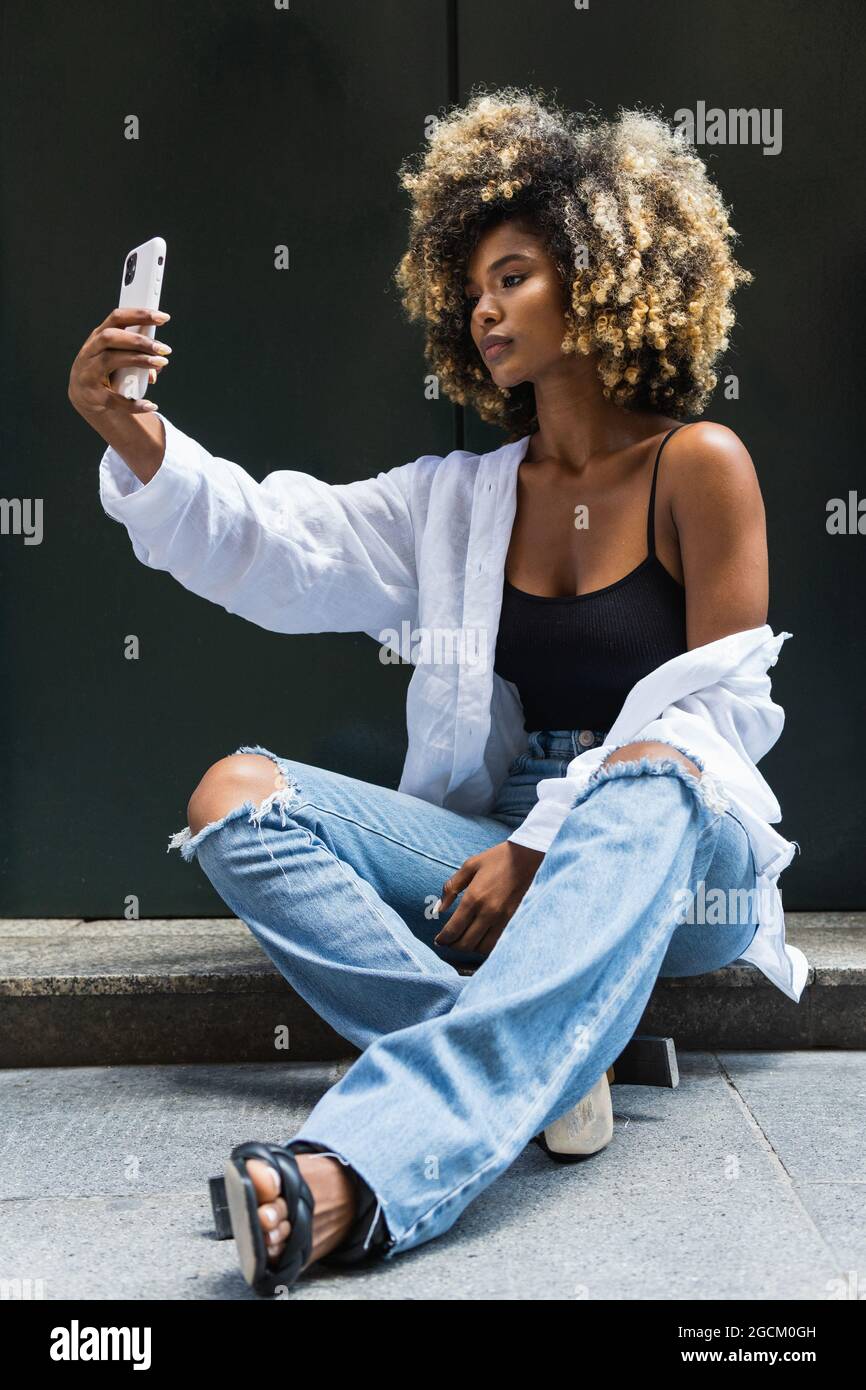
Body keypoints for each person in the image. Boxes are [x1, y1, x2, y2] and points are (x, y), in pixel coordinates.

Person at [68, 87, 806, 1296]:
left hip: (679, 854)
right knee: (232, 795)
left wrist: (541, 842)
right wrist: (132, 432)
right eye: (470, 288)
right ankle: (550, 1062)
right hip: (497, 845)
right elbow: (274, 540)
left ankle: (360, 1171)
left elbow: (716, 719)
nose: (482, 306)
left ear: (597, 271)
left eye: (511, 275)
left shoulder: (697, 462)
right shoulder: (456, 499)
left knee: (656, 766)